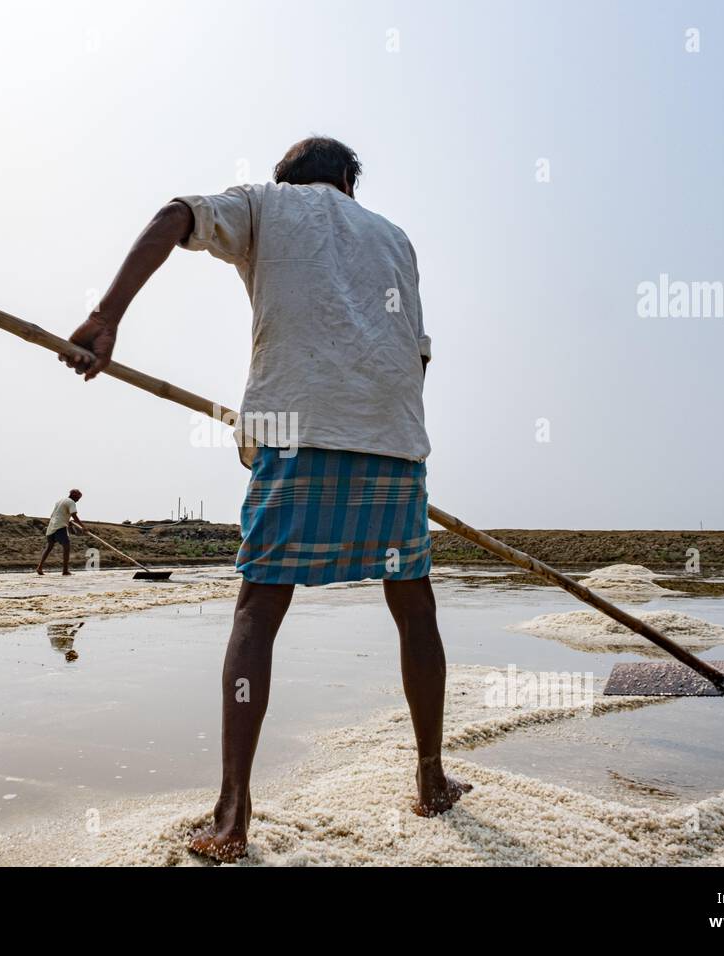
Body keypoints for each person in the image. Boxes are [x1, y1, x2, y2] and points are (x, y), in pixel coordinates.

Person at [63, 136, 465, 862]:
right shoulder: (396, 238)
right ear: (348, 181)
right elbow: (419, 352)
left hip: (294, 428)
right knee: (414, 607)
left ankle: (231, 814)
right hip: (395, 441)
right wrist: (378, 428)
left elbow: (172, 216)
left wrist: (107, 315)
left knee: (258, 610)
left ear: (290, 179)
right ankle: (431, 782)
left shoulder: (263, 204)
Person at [35, 489, 86, 575]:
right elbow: (74, 515)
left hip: (51, 526)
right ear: (74, 496)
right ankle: (65, 570)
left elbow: (58, 514)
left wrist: (68, 522)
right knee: (66, 547)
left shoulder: (60, 501)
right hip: (60, 527)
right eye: (78, 498)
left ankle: (39, 567)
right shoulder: (71, 502)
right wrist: (83, 526)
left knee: (49, 547)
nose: (78, 500)